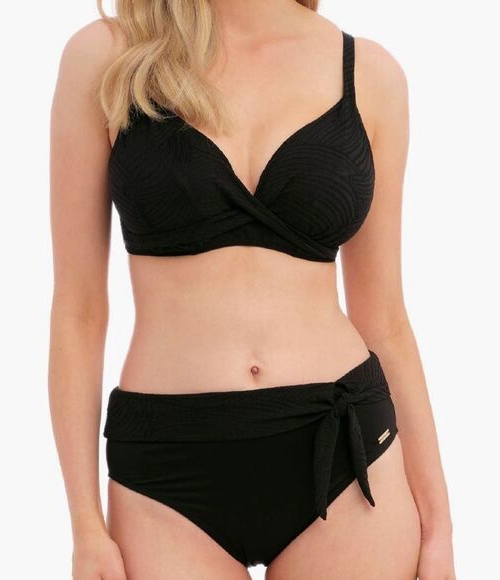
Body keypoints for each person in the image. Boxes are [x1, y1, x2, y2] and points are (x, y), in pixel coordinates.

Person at [48, 1, 455, 578]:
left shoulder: (368, 73)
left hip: (345, 455)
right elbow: (78, 312)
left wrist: (439, 527)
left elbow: (385, 318)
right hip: (166, 472)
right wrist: (84, 525)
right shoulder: (111, 55)